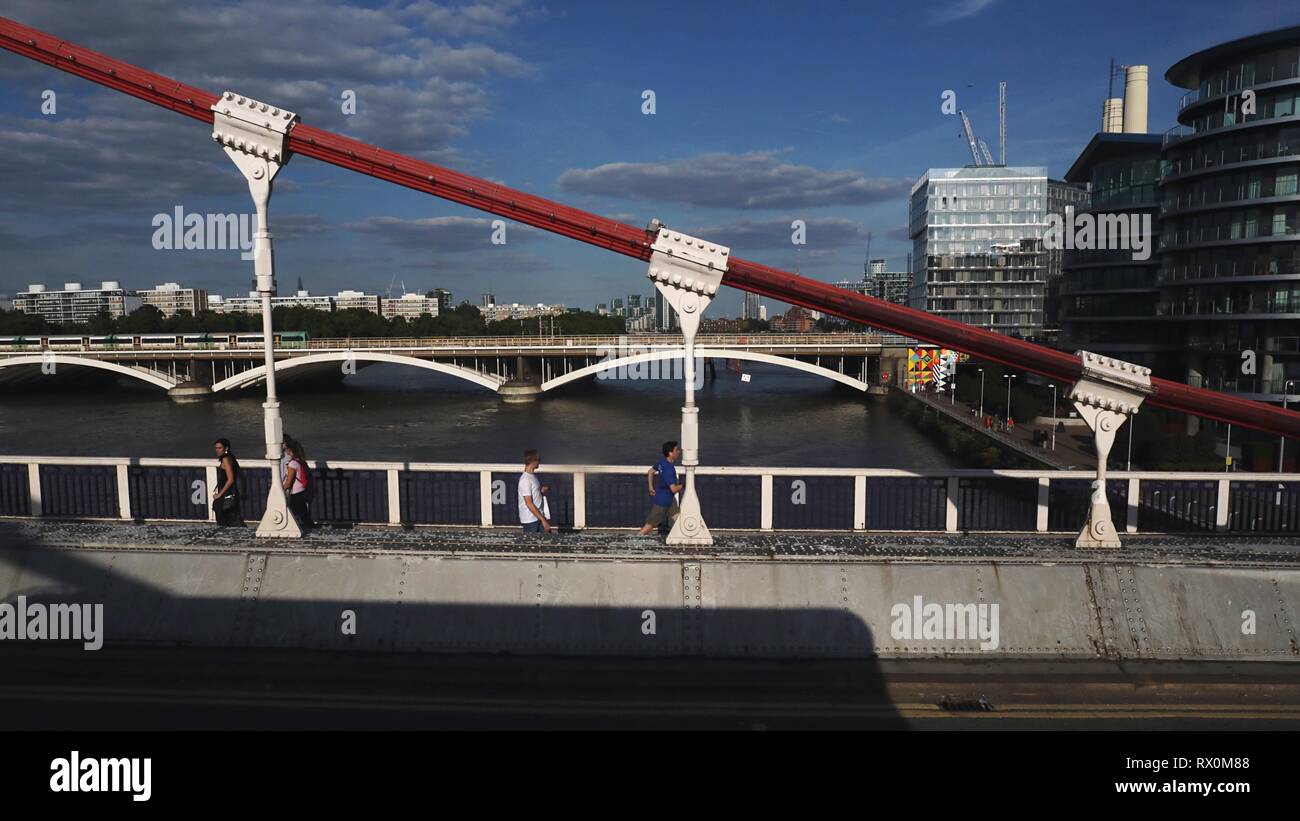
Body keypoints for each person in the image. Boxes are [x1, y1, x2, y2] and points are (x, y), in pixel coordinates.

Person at [639, 441, 683, 536]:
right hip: (663, 502)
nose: (678, 452)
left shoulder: (662, 463)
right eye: (676, 450)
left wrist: (650, 487)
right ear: (670, 453)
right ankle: (635, 540)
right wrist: (685, 485)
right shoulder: (668, 469)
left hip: (670, 501)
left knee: (679, 521)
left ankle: (681, 539)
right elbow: (673, 489)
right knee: (649, 526)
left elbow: (651, 471)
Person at [281, 435, 313, 531]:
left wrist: (279, 491)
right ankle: (312, 529)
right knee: (304, 516)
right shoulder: (300, 461)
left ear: (290, 450)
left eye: (287, 449)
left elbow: (288, 482)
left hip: (295, 494)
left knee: (292, 515)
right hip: (302, 492)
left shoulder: (292, 464)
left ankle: (295, 531)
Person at [518, 449, 552, 534]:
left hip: (537, 517)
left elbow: (534, 492)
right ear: (532, 461)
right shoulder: (525, 480)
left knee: (545, 539)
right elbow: (529, 503)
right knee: (532, 542)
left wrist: (542, 490)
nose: (539, 462)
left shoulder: (532, 477)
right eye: (538, 460)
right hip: (531, 520)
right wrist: (543, 520)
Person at [211, 438, 243, 527]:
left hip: (227, 496)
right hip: (230, 495)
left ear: (226, 448)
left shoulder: (226, 459)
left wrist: (219, 494)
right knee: (234, 521)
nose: (217, 450)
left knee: (227, 522)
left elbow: (230, 479)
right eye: (216, 448)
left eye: (219, 448)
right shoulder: (230, 458)